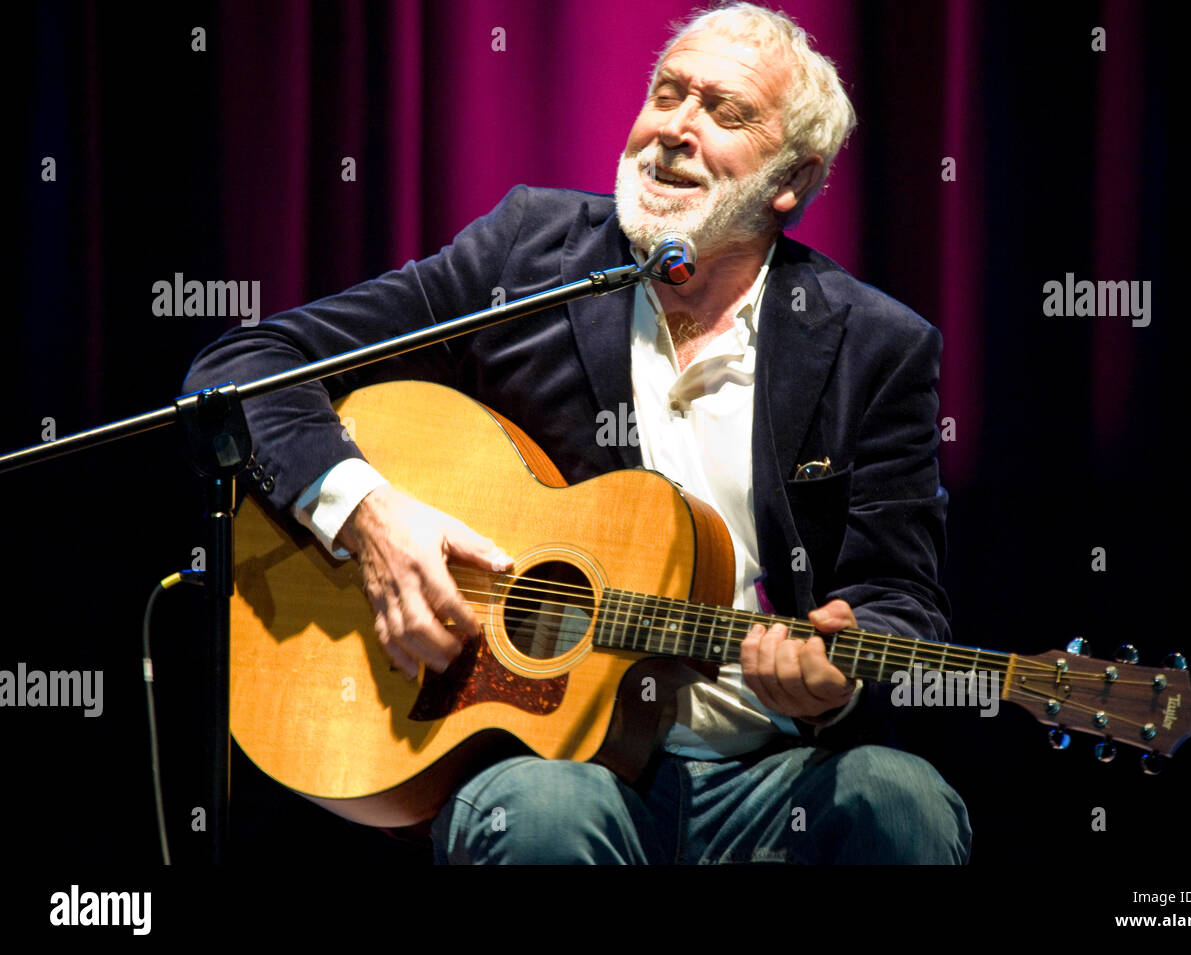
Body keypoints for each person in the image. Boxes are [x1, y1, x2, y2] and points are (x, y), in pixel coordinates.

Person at [185, 2, 971, 864]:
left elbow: (905, 605)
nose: (675, 128)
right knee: (545, 812)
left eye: (724, 112)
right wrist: (370, 516)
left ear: (793, 179)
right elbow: (250, 363)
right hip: (560, 764)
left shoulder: (877, 346)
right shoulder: (527, 253)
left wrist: (834, 678)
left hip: (775, 774)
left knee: (902, 800)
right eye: (667, 93)